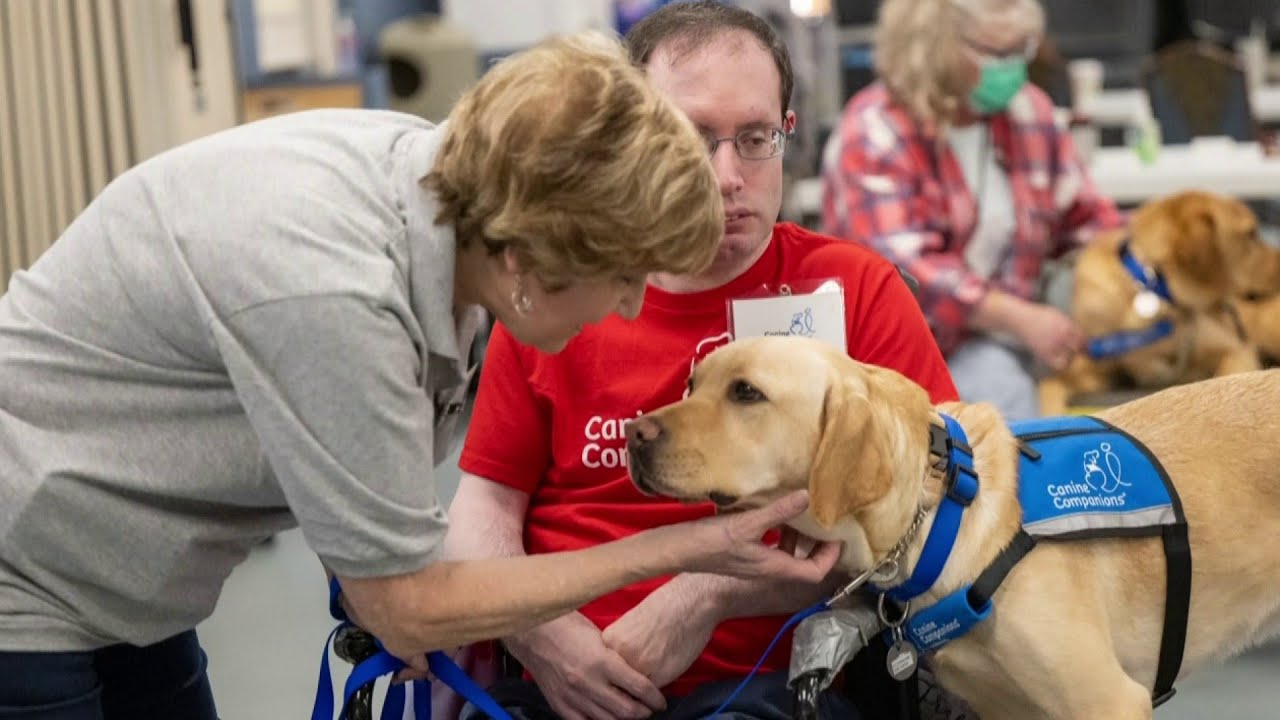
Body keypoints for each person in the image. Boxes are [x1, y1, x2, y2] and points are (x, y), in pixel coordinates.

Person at [0, 32, 841, 720]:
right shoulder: (333, 286)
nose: (629, 305)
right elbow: (400, 604)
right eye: (623, 275)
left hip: (134, 588)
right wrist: (683, 548)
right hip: (31, 566)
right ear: (529, 258)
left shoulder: (452, 194)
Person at [448, 4, 959, 719]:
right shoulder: (559, 288)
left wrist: (706, 596)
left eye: (755, 138)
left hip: (769, 687)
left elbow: (928, 516)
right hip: (558, 682)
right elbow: (484, 506)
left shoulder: (854, 291)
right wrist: (544, 639)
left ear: (788, 131)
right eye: (692, 137)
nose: (727, 176)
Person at [821, 0, 1123, 421]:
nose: (1013, 68)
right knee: (1004, 397)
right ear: (935, 46)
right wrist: (1020, 320)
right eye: (997, 54)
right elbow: (910, 274)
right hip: (926, 347)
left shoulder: (1028, 112)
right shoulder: (873, 135)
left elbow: (1086, 219)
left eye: (1023, 49)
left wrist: (1139, 257)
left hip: (1025, 331)